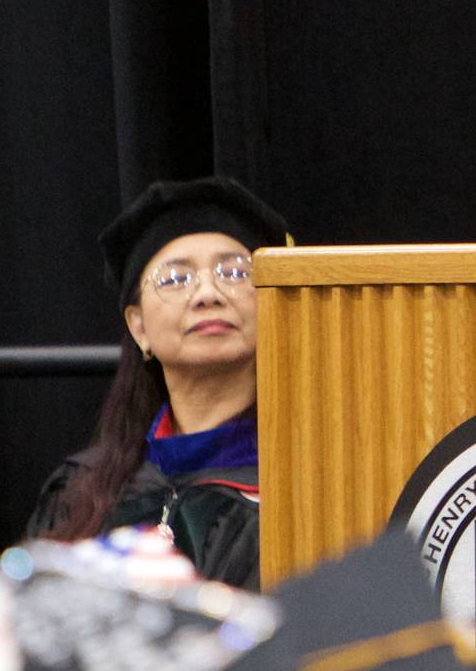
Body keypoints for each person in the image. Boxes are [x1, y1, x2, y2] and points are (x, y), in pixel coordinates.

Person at [28, 176, 289, 588]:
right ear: (138, 327)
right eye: (175, 279)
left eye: (235, 272)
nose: (208, 294)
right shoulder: (81, 491)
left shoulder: (304, 486)